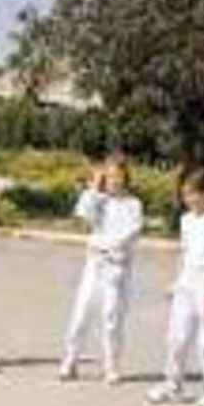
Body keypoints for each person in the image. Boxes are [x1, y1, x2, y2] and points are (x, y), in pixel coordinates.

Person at [146, 172, 204, 406]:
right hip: (188, 280)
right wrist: (176, 282)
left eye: (192, 193)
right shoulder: (187, 220)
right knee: (176, 336)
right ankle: (173, 384)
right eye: (185, 194)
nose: (188, 199)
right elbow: (185, 255)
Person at [59, 157, 145, 384]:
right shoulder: (99, 199)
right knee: (81, 314)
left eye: (118, 176)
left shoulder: (133, 204)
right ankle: (70, 360)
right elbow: (82, 214)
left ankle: (111, 366)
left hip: (117, 269)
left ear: (126, 178)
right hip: (95, 266)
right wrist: (94, 187)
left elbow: (132, 233)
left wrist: (107, 246)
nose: (113, 181)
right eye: (109, 176)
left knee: (112, 319)